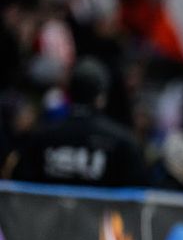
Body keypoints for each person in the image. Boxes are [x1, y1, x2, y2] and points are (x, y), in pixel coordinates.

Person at [10, 57, 146, 187]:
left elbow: (19, 185)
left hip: (47, 211)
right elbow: (138, 197)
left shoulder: (40, 138)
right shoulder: (123, 143)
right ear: (101, 97)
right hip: (100, 212)